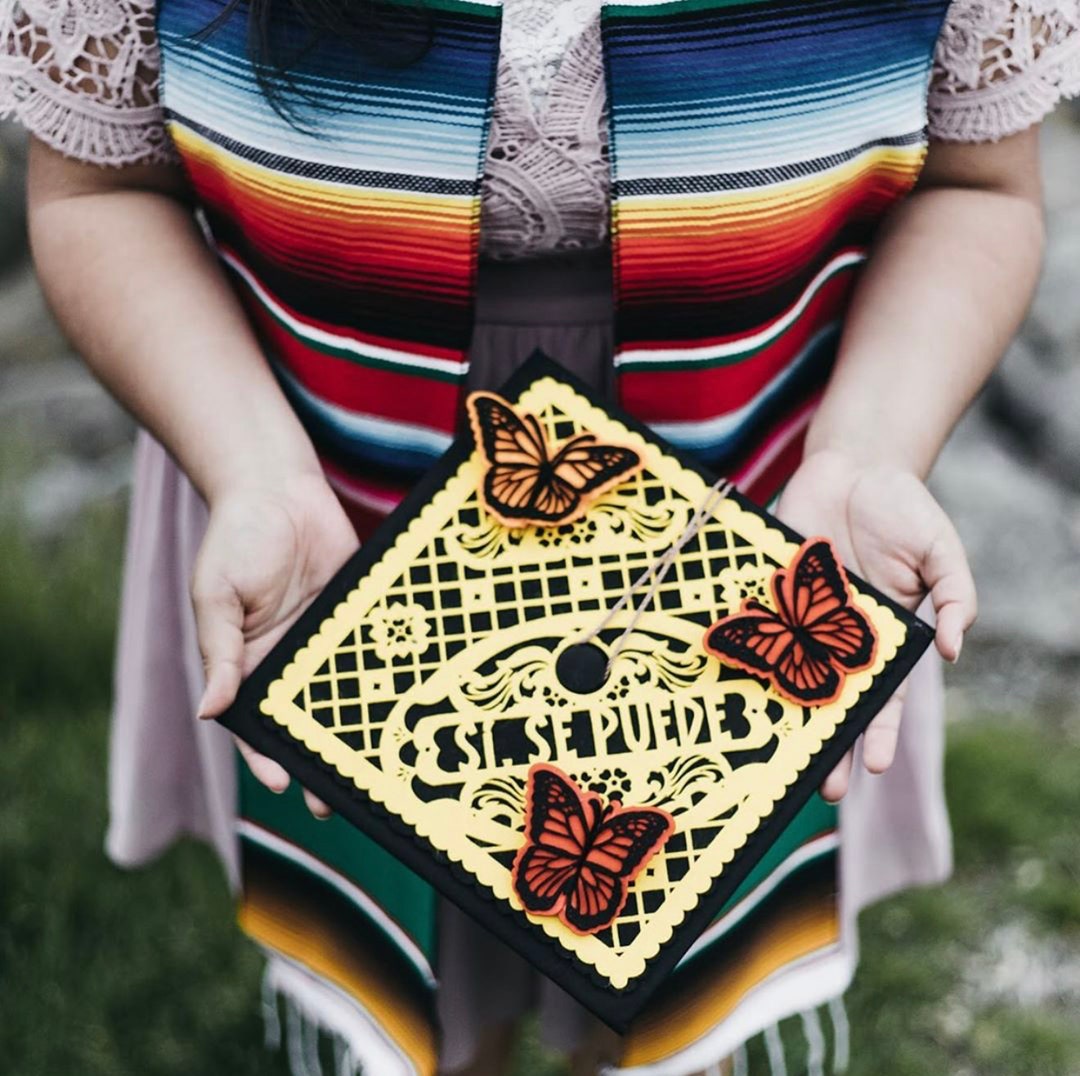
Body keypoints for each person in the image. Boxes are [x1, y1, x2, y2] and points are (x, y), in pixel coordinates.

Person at [2, 0, 1076, 1072]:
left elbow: (976, 181)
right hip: (326, 496)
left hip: (757, 502)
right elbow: (105, 186)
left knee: (677, 941)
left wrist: (872, 447)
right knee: (412, 947)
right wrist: (252, 470)